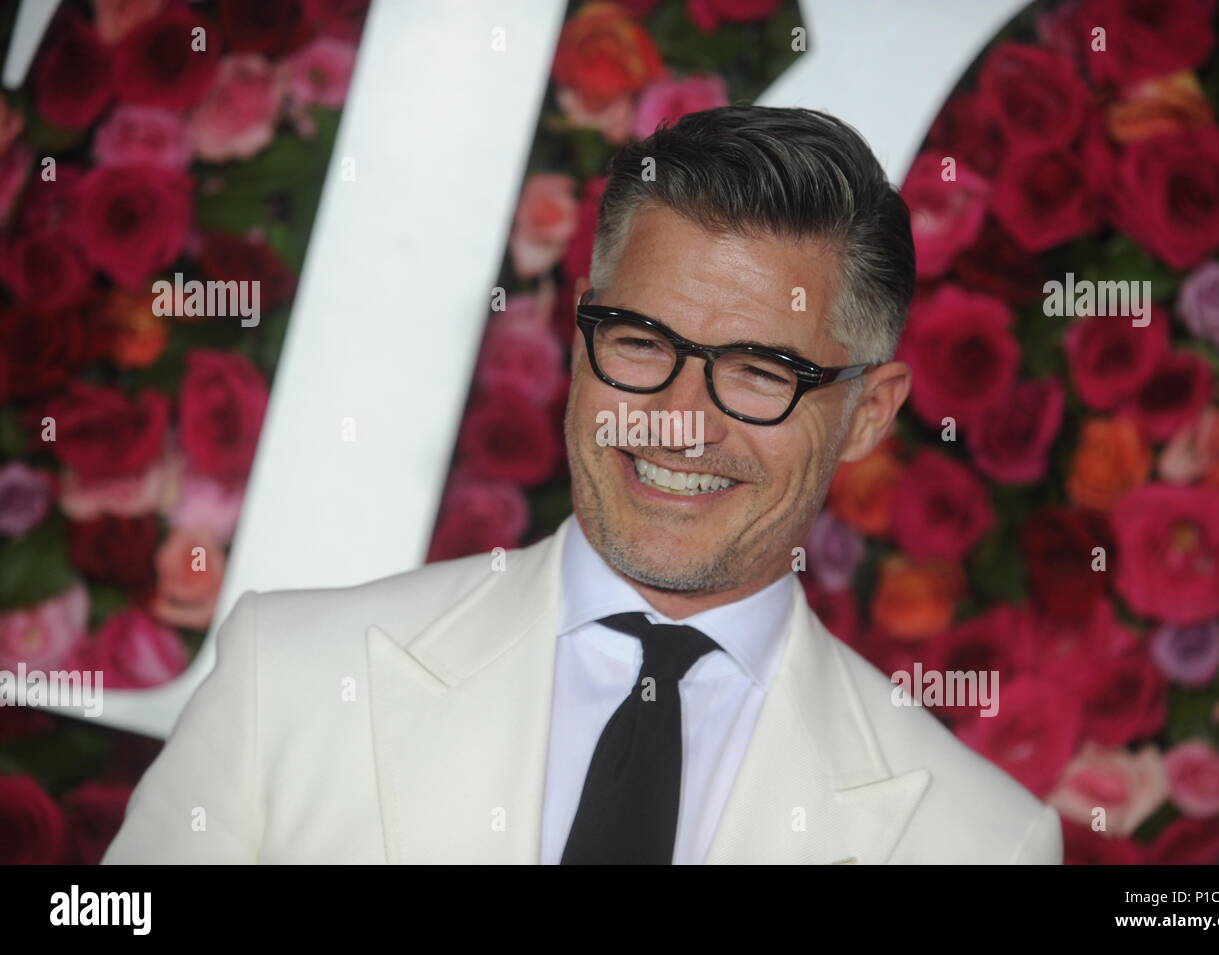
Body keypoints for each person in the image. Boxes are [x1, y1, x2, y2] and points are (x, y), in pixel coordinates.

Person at [104, 105, 1062, 865]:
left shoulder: (978, 841)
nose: (681, 418)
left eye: (761, 372)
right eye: (642, 344)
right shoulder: (293, 676)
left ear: (866, 413)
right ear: (578, 340)